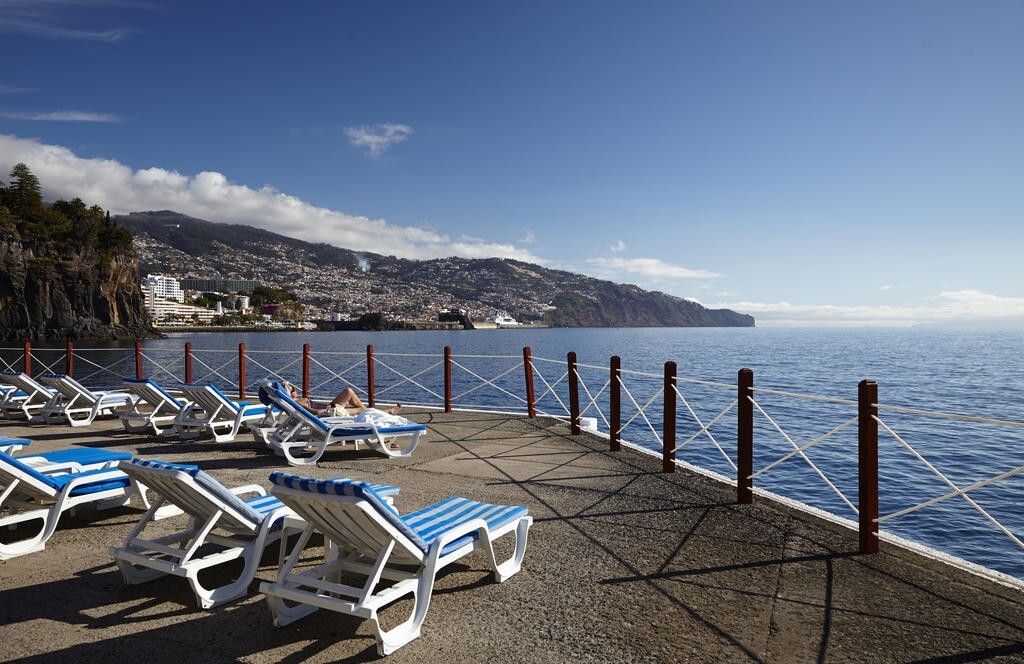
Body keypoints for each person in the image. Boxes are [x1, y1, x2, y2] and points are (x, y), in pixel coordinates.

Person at [284, 382, 401, 417]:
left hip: (329, 409)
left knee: (362, 409)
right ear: (289, 393)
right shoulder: (297, 402)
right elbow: (315, 412)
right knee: (349, 391)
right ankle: (388, 412)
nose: (296, 390)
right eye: (293, 389)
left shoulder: (293, 401)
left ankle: (387, 412)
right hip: (330, 412)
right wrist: (325, 411)